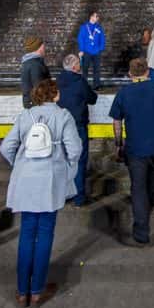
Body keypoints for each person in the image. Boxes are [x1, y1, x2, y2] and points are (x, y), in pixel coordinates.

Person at [1, 79, 82, 308]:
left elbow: (6, 147)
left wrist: (19, 165)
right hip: (50, 180)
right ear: (55, 95)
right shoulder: (63, 116)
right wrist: (68, 168)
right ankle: (37, 291)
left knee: (27, 232)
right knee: (45, 232)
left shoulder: (25, 116)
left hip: (26, 179)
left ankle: (21, 291)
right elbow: (74, 149)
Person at [109, 58, 154, 245]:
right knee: (153, 170)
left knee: (137, 187)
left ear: (130, 74)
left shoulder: (124, 93)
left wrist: (119, 144)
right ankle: (153, 200)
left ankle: (142, 232)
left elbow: (117, 121)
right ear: (148, 72)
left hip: (135, 146)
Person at [57, 53, 98, 206]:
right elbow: (92, 98)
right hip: (78, 124)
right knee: (79, 160)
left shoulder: (58, 81)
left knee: (62, 159)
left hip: (60, 125)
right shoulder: (80, 81)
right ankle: (79, 197)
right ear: (75, 67)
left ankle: (63, 195)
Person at [77, 11, 106, 90]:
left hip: (96, 51)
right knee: (85, 69)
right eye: (93, 16)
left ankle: (96, 85)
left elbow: (102, 39)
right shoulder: (84, 27)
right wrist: (81, 50)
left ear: (97, 19)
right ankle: (83, 85)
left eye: (96, 17)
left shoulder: (99, 28)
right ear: (90, 17)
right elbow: (80, 39)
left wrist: (100, 48)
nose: (95, 18)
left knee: (97, 69)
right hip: (86, 51)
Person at [20, 36, 51, 109]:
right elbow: (38, 87)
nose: (44, 49)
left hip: (33, 103)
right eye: (43, 46)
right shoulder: (35, 65)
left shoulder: (28, 62)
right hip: (37, 104)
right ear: (39, 48)